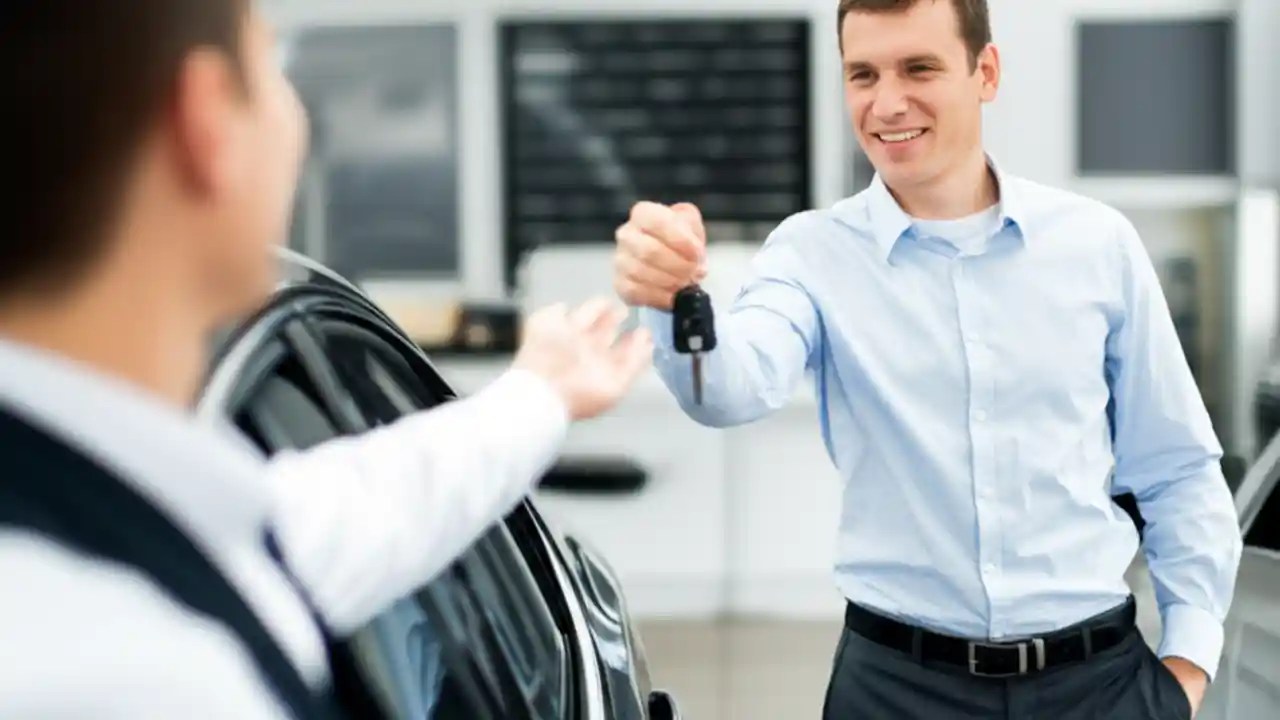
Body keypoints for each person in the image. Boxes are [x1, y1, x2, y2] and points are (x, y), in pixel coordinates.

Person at [0, 1, 651, 718]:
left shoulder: (95, 513)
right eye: (272, 65)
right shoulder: (144, 678)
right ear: (207, 120)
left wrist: (541, 392)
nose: (301, 121)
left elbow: (325, 523)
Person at [613, 1, 1242, 717]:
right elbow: (730, 389)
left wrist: (1185, 671)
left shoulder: (1097, 245)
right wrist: (668, 297)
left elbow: (1176, 468)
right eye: (862, 74)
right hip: (895, 691)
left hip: (1097, 684)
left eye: (919, 68)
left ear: (986, 72)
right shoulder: (810, 253)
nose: (886, 103)